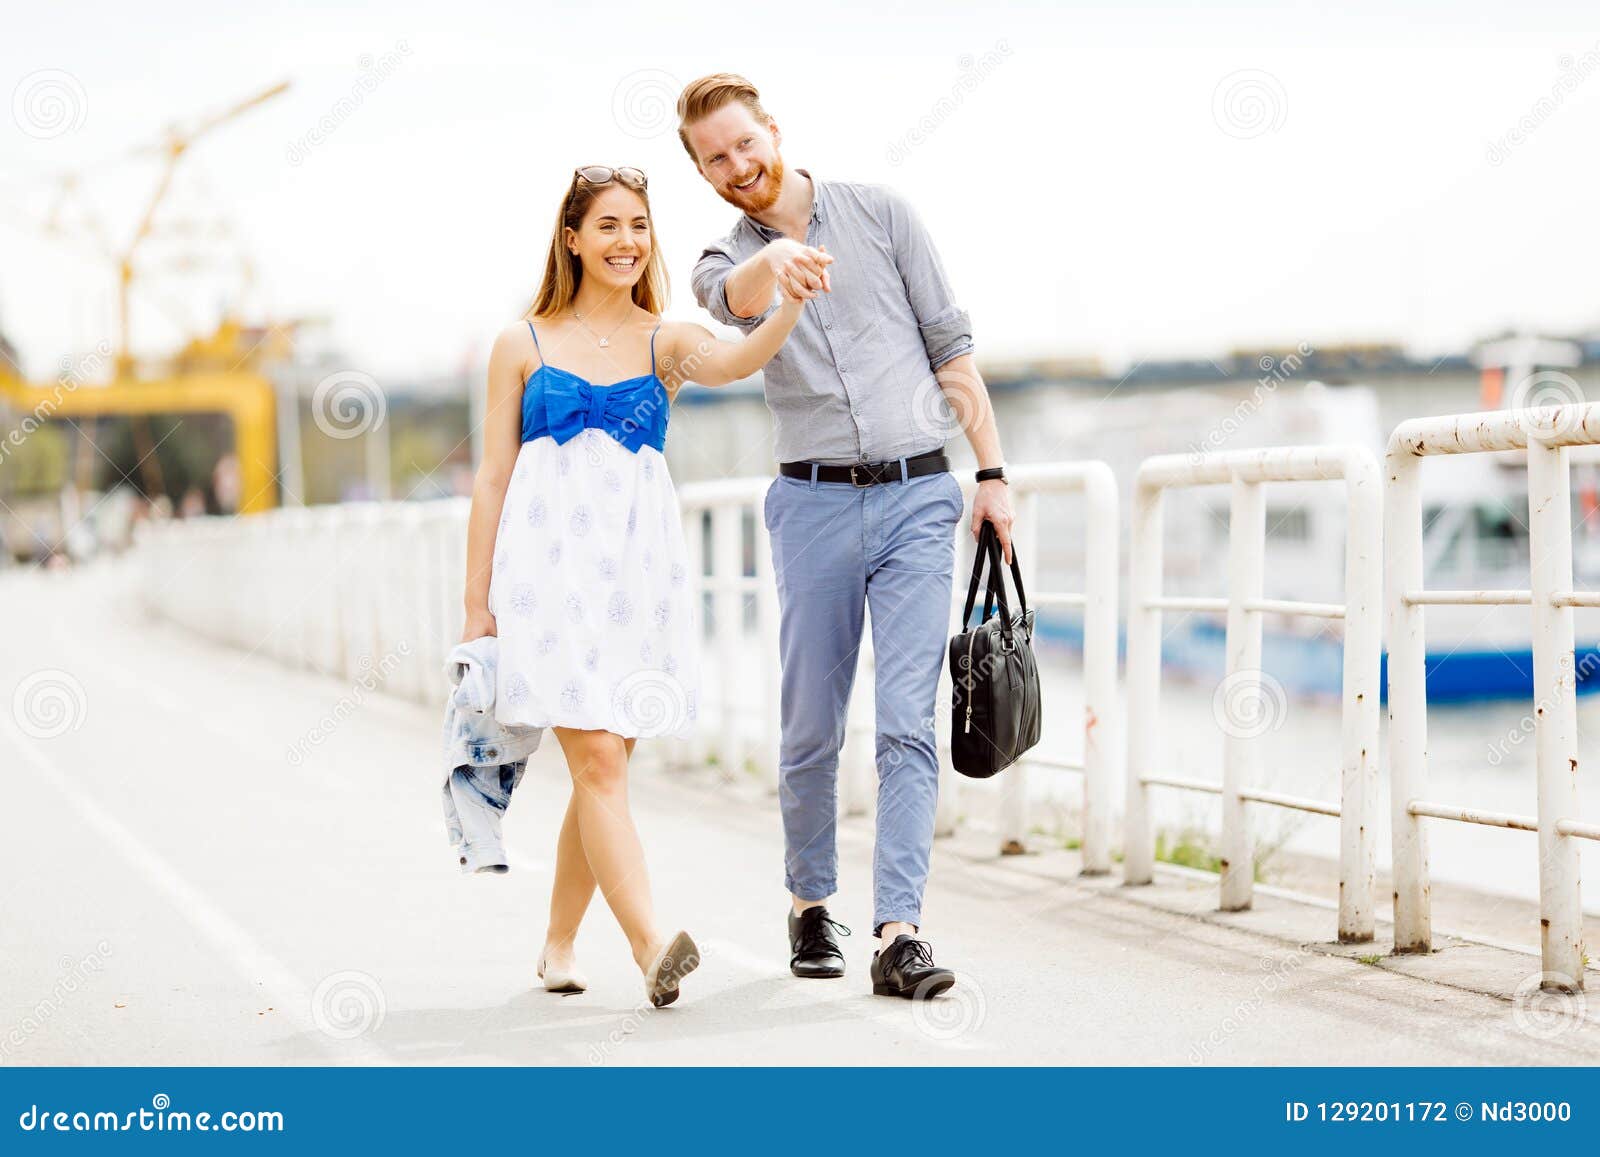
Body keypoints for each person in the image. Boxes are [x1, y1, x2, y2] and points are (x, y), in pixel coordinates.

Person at [679, 74, 1015, 1001]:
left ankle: (900, 931)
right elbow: (732, 299)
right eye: (717, 158)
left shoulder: (882, 214)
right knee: (811, 724)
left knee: (907, 720)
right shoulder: (720, 258)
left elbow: (951, 350)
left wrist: (990, 476)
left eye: (746, 143)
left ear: (774, 130)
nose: (738, 166)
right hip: (812, 506)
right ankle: (808, 901)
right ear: (702, 172)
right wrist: (777, 267)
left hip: (917, 497)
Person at [461, 164, 807, 1008]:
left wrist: (789, 299)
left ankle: (557, 941)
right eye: (608, 225)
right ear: (572, 238)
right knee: (600, 766)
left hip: (637, 573)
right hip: (545, 576)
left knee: (606, 763)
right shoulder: (521, 343)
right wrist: (478, 606)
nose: (626, 242)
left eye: (639, 226)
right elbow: (493, 481)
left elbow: (737, 357)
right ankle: (652, 944)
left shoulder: (667, 340)